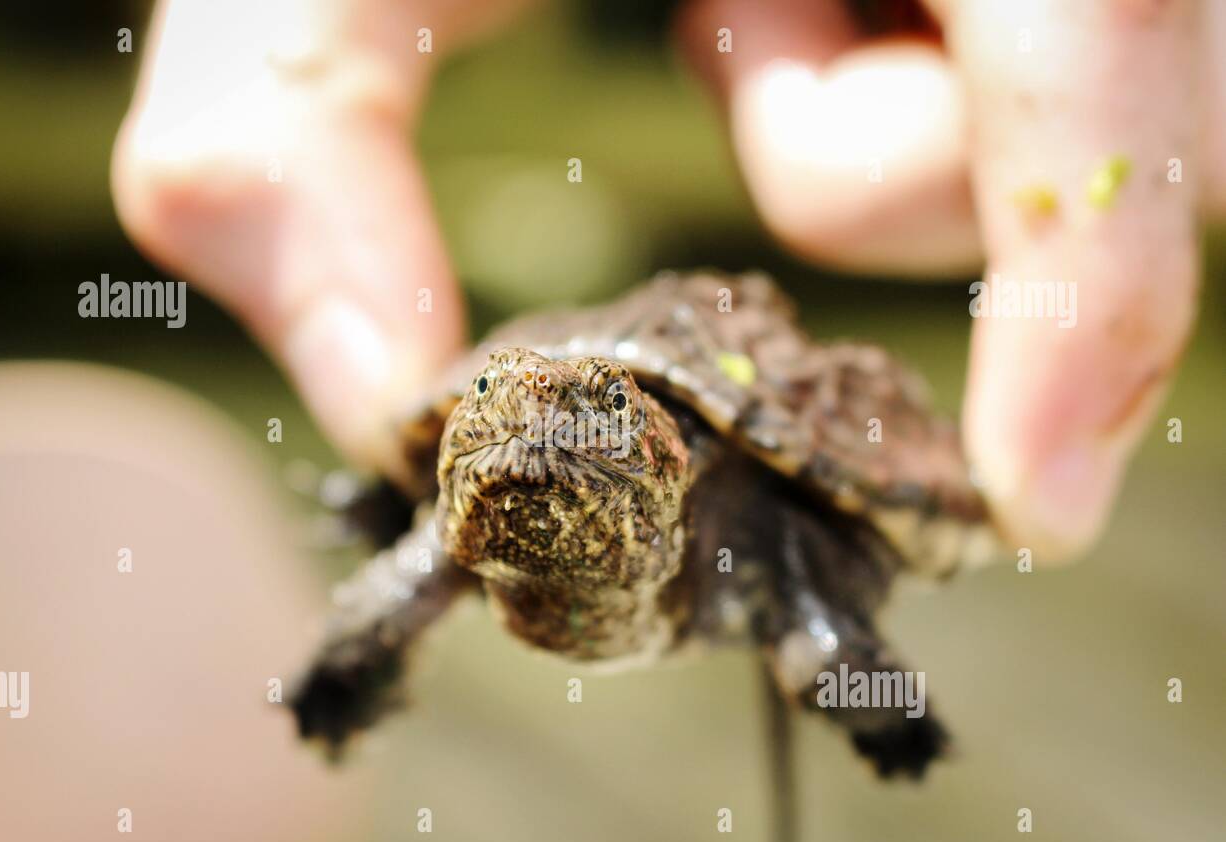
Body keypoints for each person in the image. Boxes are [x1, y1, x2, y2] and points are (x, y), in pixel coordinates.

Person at [111, 0, 1223, 561]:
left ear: (655, 440)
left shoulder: (731, 497)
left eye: (588, 411)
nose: (547, 429)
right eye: (511, 401)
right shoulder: (484, 485)